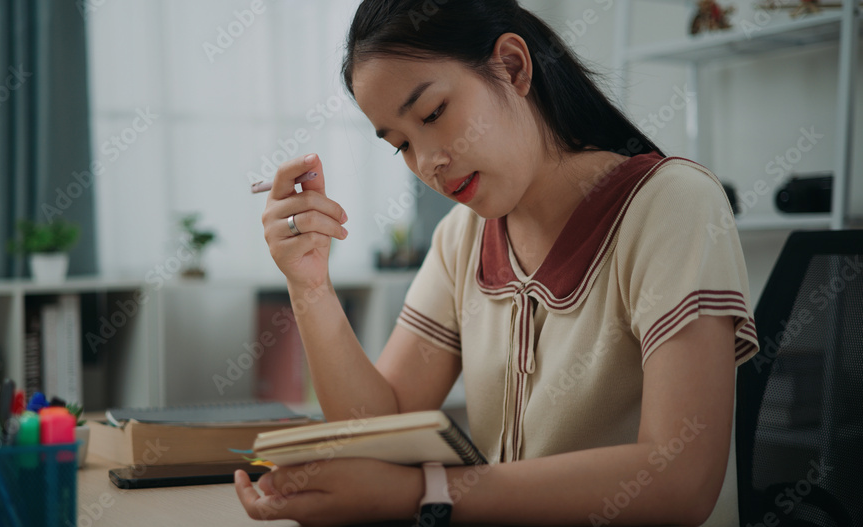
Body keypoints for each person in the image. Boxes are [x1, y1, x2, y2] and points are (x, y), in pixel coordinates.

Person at [235, 1, 760, 525]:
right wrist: (309, 286)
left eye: (433, 114)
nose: (428, 163)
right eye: (401, 146)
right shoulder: (461, 238)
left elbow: (680, 480)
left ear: (513, 66)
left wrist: (424, 492)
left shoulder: (672, 204)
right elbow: (378, 429)